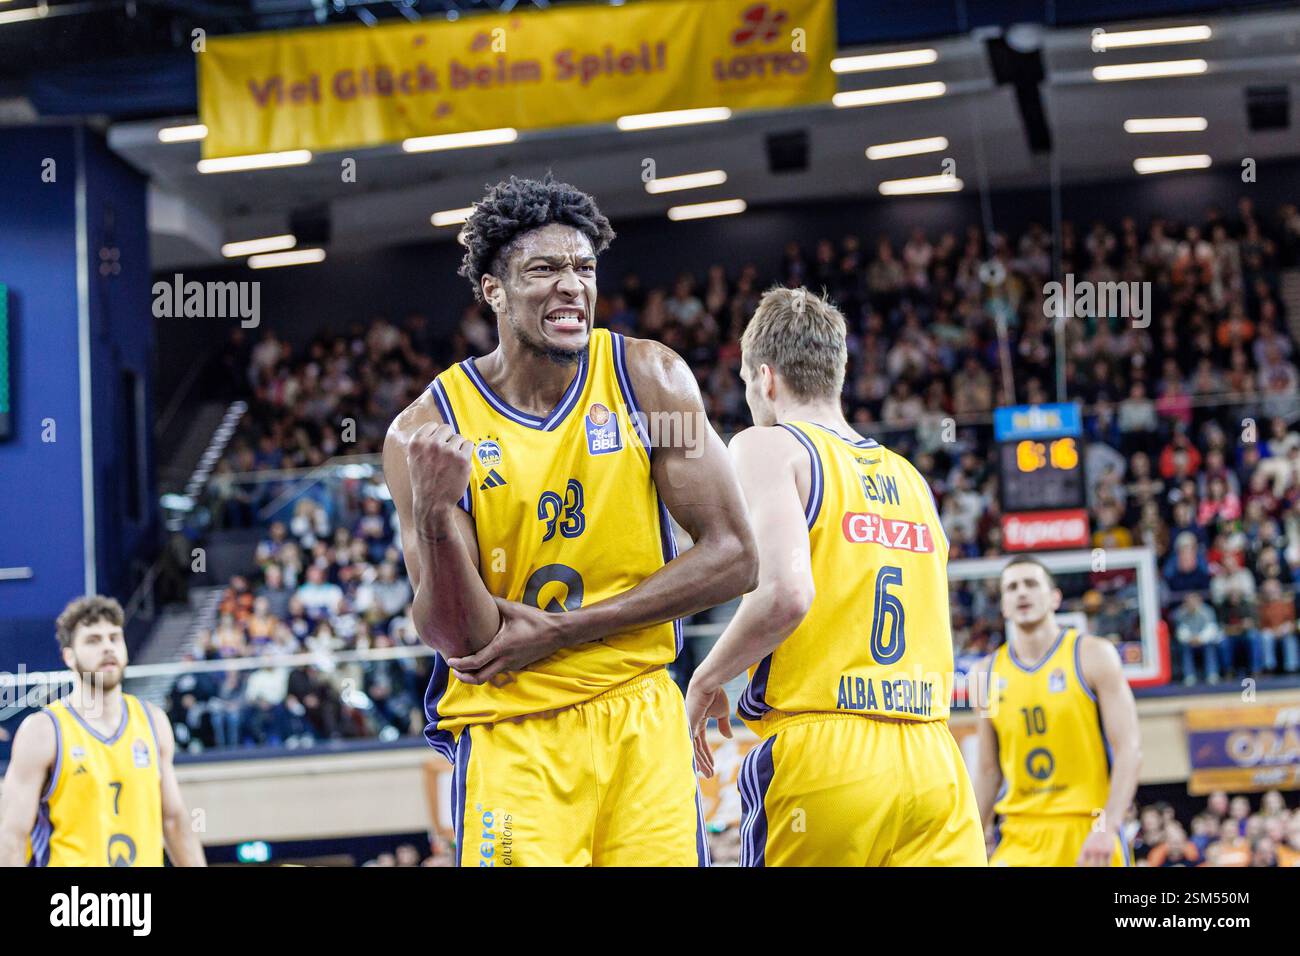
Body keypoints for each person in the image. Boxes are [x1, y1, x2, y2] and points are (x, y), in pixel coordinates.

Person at [384, 175, 757, 866]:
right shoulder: (426, 431)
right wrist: (435, 517)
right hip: (512, 732)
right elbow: (458, 637)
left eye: (584, 268)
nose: (571, 286)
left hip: (640, 712)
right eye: (544, 270)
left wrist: (564, 629)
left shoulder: (650, 379)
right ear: (493, 291)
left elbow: (736, 556)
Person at [683, 286, 985, 866]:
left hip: (829, 751)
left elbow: (787, 595)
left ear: (765, 379)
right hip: (934, 759)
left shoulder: (769, 445)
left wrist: (706, 677)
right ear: (837, 373)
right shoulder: (912, 478)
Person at [0, 596, 206, 867]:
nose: (107, 647)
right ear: (68, 656)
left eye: (114, 638)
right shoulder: (44, 731)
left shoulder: (153, 722)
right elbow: (11, 836)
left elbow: (174, 821)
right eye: (93, 640)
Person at [973, 556, 1141, 866]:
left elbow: (1129, 748)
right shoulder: (983, 674)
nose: (1022, 593)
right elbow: (987, 770)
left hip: (1088, 828)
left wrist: (1108, 827)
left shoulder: (1095, 654)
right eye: (1011, 587)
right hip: (1020, 834)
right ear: (1004, 606)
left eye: (1031, 584)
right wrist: (973, 836)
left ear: (1055, 598)